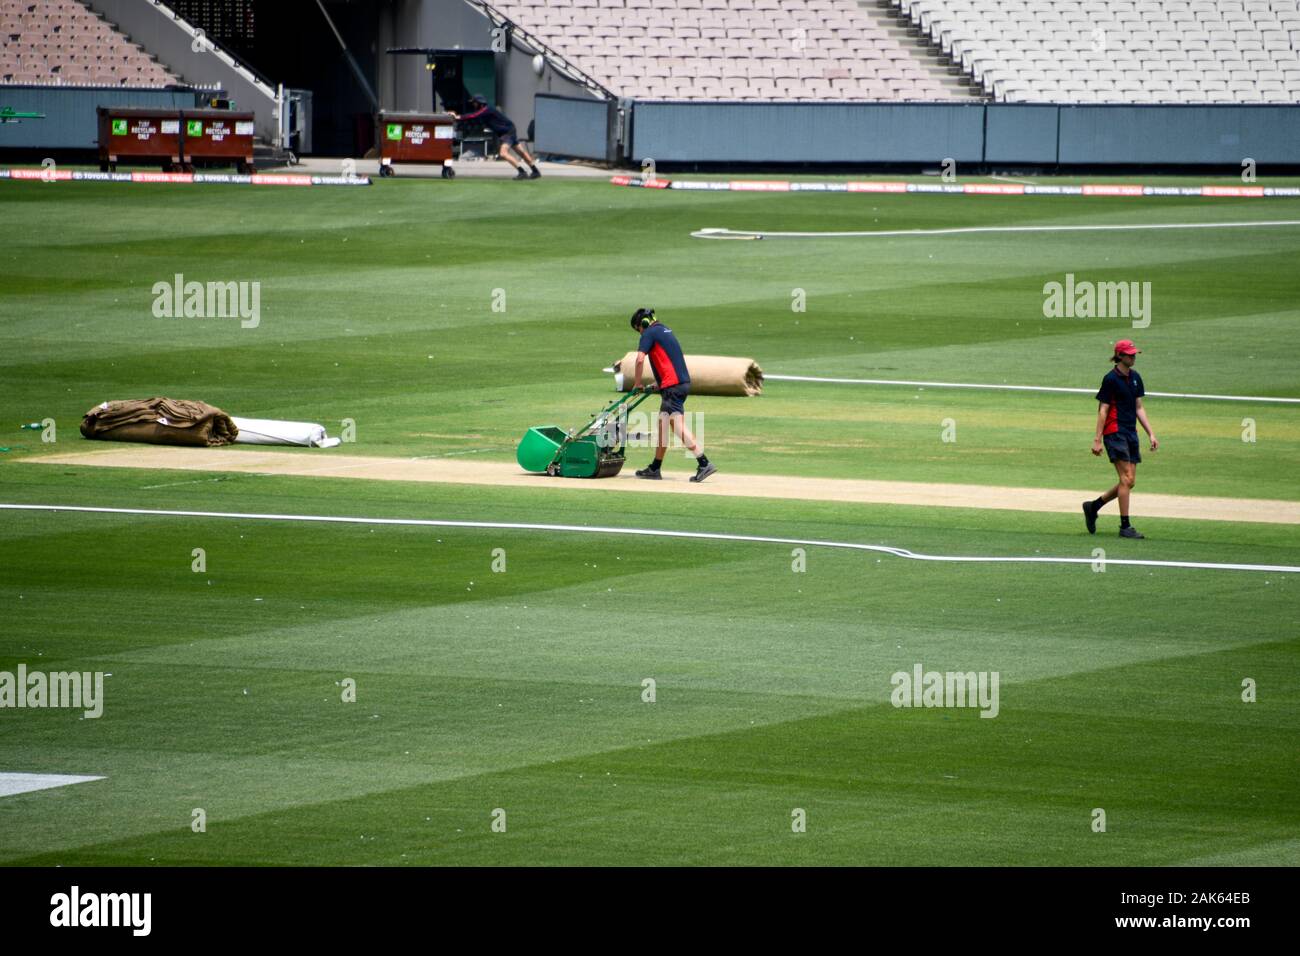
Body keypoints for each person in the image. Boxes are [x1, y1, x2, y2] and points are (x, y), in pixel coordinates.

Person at [628, 308, 716, 482]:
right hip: (680, 383)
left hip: (672, 387)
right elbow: (669, 359)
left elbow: (639, 359)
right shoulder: (665, 330)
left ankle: (704, 462)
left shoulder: (649, 332)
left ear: (643, 324)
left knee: (677, 426)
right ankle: (655, 467)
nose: (639, 332)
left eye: (638, 328)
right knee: (662, 425)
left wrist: (637, 383)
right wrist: (658, 383)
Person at [1083, 339, 1158, 539]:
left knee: (1129, 481)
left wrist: (1150, 432)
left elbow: (1138, 407)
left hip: (1130, 432)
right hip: (1114, 432)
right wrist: (1097, 439)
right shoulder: (1110, 379)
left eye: (1134, 354)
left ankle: (1093, 506)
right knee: (1126, 478)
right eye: (1129, 354)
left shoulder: (1135, 378)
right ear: (1120, 356)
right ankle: (1125, 526)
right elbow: (1103, 409)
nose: (1133, 357)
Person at [448, 94, 540, 180]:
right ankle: (535, 171)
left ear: (479, 103)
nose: (473, 104)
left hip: (507, 132)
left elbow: (473, 115)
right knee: (521, 152)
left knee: (503, 153)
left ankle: (522, 172)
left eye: (474, 102)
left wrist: (457, 117)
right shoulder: (484, 110)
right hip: (509, 129)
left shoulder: (486, 110)